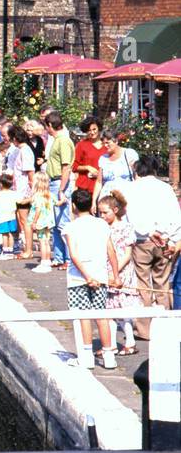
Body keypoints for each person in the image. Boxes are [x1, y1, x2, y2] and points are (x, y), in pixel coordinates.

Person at [119, 154, 181, 326]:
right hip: (164, 240)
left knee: (143, 284)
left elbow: (131, 216)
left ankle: (146, 327)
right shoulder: (165, 188)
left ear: (137, 170)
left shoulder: (131, 189)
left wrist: (147, 231)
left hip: (142, 239)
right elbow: (176, 215)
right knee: (162, 284)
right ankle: (165, 325)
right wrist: (171, 237)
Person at [65, 187, 118, 370]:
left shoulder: (70, 227)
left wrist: (87, 276)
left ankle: (86, 357)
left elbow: (73, 255)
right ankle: (109, 355)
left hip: (78, 279)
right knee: (100, 315)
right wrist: (115, 275)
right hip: (101, 275)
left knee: (83, 316)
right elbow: (111, 251)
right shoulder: (102, 224)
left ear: (73, 206)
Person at [99, 190, 140, 354]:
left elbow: (127, 254)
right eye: (100, 212)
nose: (102, 216)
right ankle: (111, 344)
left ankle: (130, 342)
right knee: (109, 308)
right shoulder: (101, 227)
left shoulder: (126, 228)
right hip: (106, 270)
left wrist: (115, 272)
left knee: (123, 308)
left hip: (122, 272)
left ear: (115, 210)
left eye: (105, 212)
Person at [43, 112, 75, 270]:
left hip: (59, 183)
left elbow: (66, 166)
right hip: (53, 182)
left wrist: (62, 190)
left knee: (63, 223)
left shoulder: (63, 141)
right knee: (54, 222)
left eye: (46, 126)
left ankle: (69, 258)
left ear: (50, 125)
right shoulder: (57, 140)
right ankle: (59, 256)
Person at [7, 124, 36, 259]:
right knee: (21, 219)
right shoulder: (21, 150)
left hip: (24, 190)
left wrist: (32, 191)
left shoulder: (25, 151)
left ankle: (28, 249)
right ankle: (24, 247)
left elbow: (30, 172)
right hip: (19, 188)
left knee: (25, 221)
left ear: (15, 138)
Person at [92, 131, 137, 206]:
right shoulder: (103, 159)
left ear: (115, 141)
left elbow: (137, 176)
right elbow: (99, 182)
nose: (105, 145)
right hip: (107, 199)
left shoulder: (129, 154)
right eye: (104, 143)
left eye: (108, 143)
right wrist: (94, 201)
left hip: (125, 197)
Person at [0, 172, 20, 260]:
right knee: (11, 234)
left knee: (4, 235)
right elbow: (20, 201)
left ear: (1, 184)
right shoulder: (13, 193)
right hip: (12, 217)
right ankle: (11, 251)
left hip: (2, 218)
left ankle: (5, 251)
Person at [29, 172, 55, 273]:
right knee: (47, 242)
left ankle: (43, 262)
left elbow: (38, 209)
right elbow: (57, 203)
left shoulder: (37, 196)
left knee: (41, 242)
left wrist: (34, 221)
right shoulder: (50, 195)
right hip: (49, 221)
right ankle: (48, 260)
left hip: (40, 222)